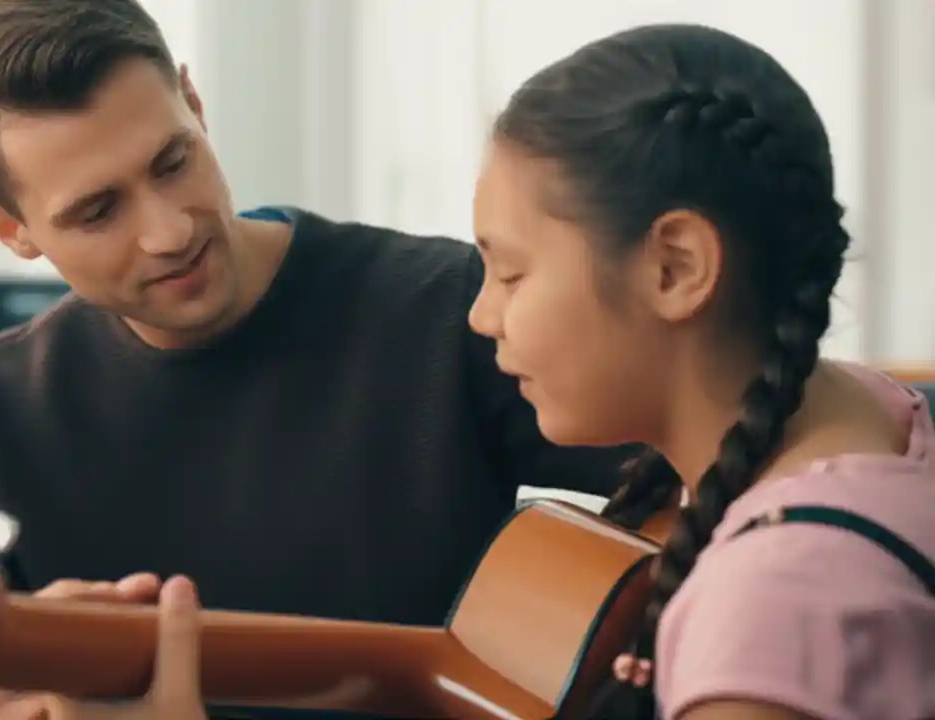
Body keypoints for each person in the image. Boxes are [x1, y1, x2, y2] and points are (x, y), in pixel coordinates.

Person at [69, 21, 935, 720]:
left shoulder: (771, 621)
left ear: (675, 268)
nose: (479, 316)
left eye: (510, 273)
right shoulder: (870, 415)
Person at [0, 0, 635, 716]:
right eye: (98, 211)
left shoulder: (457, 309)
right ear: (10, 231)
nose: (169, 230)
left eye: (172, 160)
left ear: (194, 101)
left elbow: (713, 484)